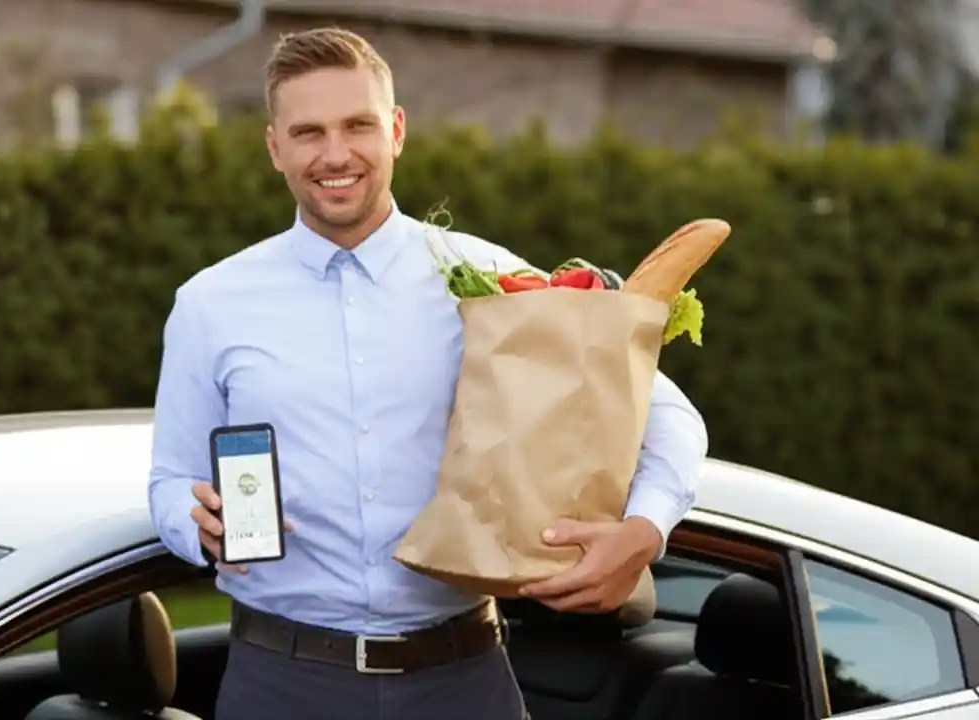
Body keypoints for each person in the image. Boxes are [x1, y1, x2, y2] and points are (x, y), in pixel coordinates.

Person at [147, 26, 708, 720]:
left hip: (464, 680)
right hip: (281, 685)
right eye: (308, 132)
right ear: (274, 147)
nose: (335, 154)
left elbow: (669, 418)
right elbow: (170, 482)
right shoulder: (211, 304)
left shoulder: (489, 281)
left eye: (359, 125)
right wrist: (192, 522)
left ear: (397, 131)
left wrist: (644, 532)